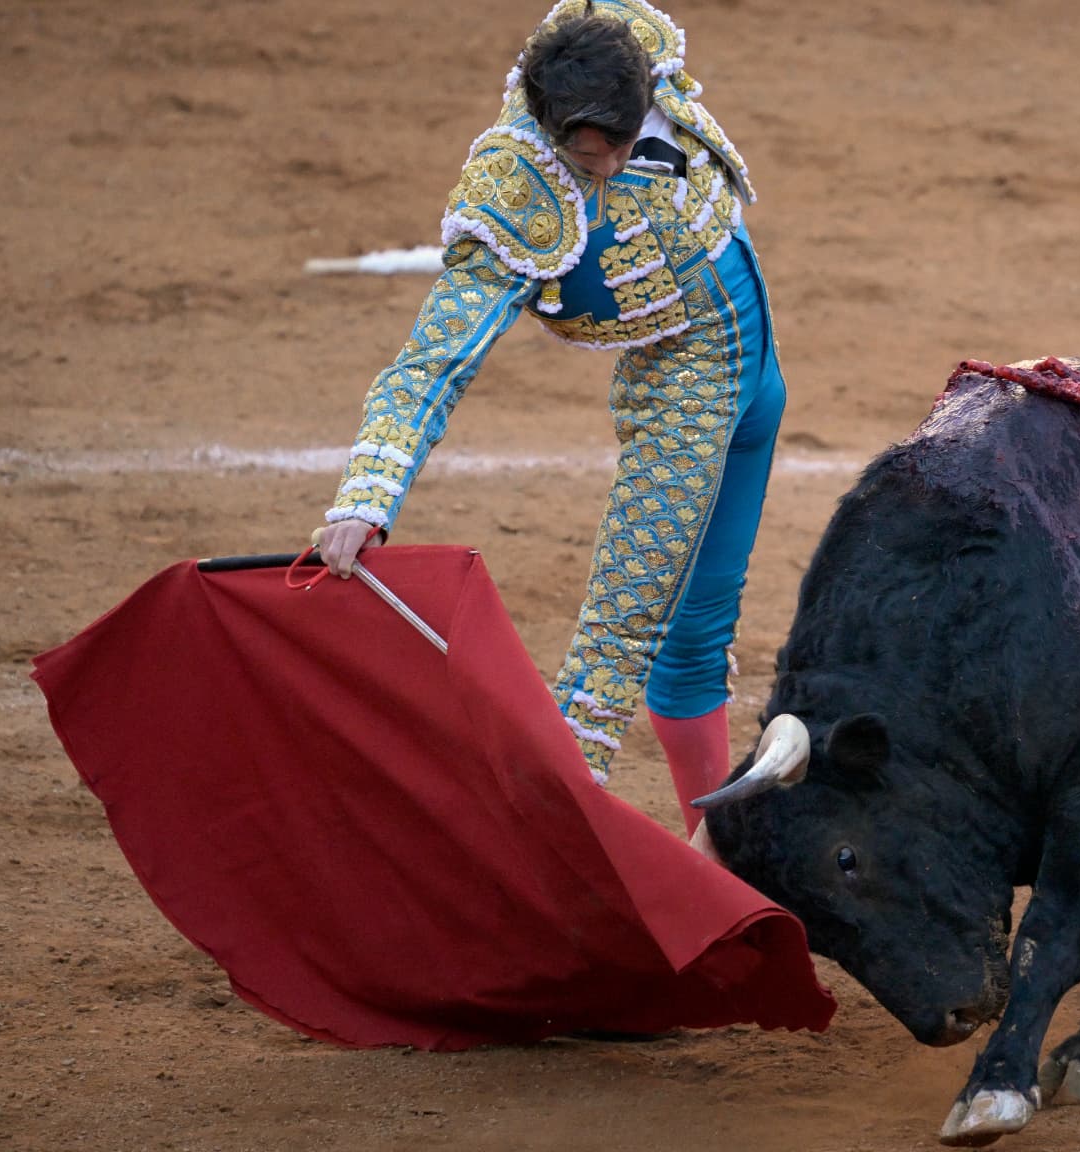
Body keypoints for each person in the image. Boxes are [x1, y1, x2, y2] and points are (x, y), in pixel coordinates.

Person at [311, 0, 782, 828]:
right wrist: (366, 496)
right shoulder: (513, 192)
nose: (601, 169)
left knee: (699, 640)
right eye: (583, 154)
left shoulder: (631, 46)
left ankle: (725, 871)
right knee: (609, 660)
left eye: (620, 148)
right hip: (681, 396)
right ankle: (537, 878)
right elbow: (433, 363)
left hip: (759, 384)